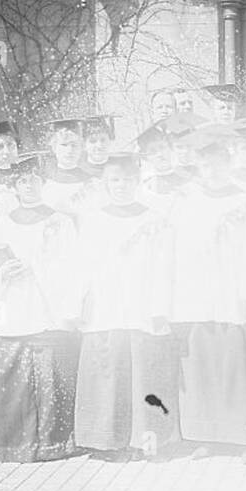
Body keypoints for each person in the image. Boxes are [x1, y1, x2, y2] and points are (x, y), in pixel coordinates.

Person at [168, 128, 246, 459]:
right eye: (206, 164)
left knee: (235, 367)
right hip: (196, 295)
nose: (213, 170)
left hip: (233, 293)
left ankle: (244, 439)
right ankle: (206, 436)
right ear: (199, 167)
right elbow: (174, 249)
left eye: (219, 163)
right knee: (201, 367)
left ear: (228, 163)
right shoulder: (185, 201)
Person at [0, 157, 83, 462]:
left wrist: (37, 268)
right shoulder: (1, 223)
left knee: (51, 374)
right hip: (12, 306)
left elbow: (73, 265)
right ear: (14, 186)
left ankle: (54, 442)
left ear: (44, 184)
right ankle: (9, 442)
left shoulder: (59, 221)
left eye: (36, 180)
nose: (30, 186)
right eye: (23, 181)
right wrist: (2, 273)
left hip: (46, 307)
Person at [74, 153, 180, 459]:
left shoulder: (154, 219)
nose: (121, 186)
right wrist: (79, 303)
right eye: (114, 180)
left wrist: (160, 307)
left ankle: (146, 442)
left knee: (144, 379)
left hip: (141, 308)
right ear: (105, 183)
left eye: (128, 180)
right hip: (105, 309)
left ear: (137, 181)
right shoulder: (93, 219)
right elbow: (82, 267)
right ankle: (107, 443)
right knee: (108, 378)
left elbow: (164, 266)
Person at [40, 118, 89, 214]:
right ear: (54, 147)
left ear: (81, 147)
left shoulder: (90, 182)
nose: (70, 150)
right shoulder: (44, 185)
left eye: (74, 145)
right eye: (64, 145)